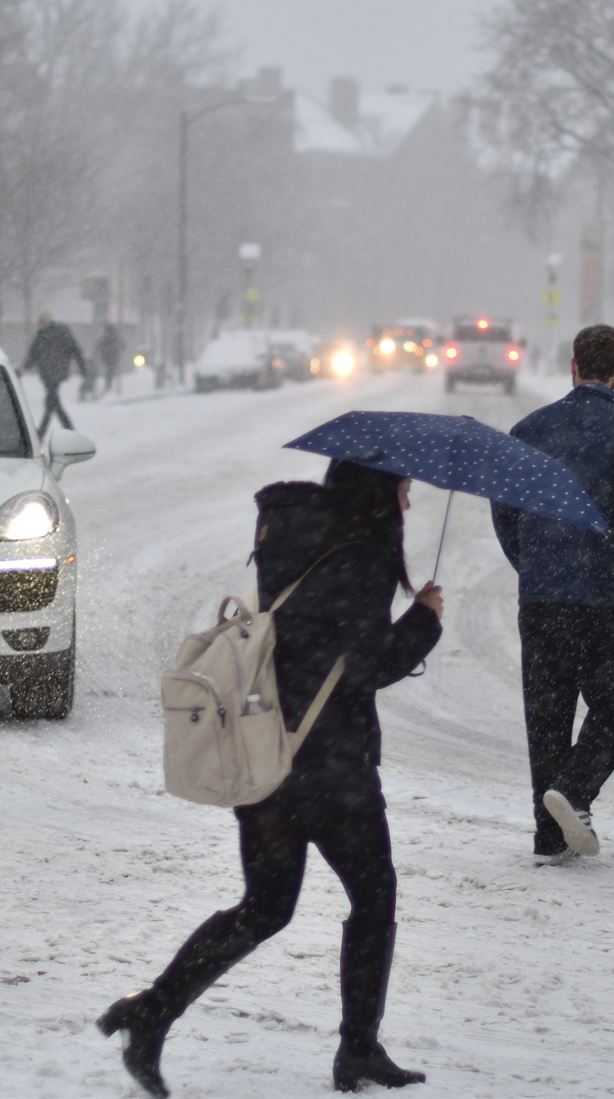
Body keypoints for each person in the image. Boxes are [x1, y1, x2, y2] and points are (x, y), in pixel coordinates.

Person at [99, 462, 443, 1096]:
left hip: (268, 752)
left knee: (264, 907)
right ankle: (358, 1050)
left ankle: (151, 1011)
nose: (408, 505)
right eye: (404, 491)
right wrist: (424, 617)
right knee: (373, 898)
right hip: (332, 763)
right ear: (378, 492)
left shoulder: (288, 537)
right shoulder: (362, 553)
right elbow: (369, 665)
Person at [492, 324, 614, 864]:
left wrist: (533, 564)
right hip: (607, 601)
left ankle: (548, 835)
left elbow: (506, 513)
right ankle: (574, 792)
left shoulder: (530, 429)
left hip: (543, 598)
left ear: (573, 366)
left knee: (546, 715)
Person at [21, 312, 88, 437]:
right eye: (40, 323)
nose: (42, 325)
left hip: (57, 372)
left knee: (51, 400)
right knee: (53, 402)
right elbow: (33, 353)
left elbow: (75, 350)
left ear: (49, 320)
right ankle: (68, 430)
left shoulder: (61, 332)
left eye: (43, 322)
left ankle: (41, 434)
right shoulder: (40, 335)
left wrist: (83, 369)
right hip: (45, 374)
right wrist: (25, 368)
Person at [95, 324, 123, 399]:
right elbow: (122, 345)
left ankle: (108, 384)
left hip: (106, 357)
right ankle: (108, 384)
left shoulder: (104, 337)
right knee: (110, 370)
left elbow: (98, 346)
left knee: (109, 370)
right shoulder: (114, 337)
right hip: (112, 357)